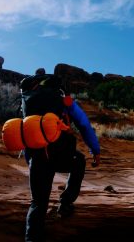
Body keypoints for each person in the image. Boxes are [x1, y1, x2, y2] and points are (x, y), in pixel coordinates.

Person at [23, 68, 101, 242]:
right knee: (79, 160)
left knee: (38, 202)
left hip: (37, 157)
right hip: (62, 156)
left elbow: (23, 131)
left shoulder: (28, 101)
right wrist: (95, 151)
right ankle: (65, 204)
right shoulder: (65, 102)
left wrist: (30, 160)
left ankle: (31, 239)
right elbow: (84, 125)